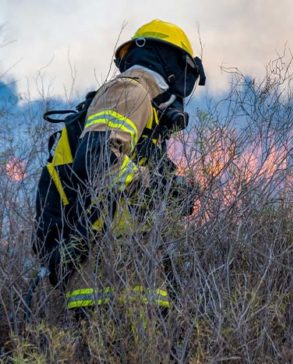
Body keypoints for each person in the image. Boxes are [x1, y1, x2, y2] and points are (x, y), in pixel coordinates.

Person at [35, 19, 205, 316]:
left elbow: (126, 176)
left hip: (129, 274)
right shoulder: (130, 91)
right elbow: (99, 159)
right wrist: (156, 186)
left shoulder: (146, 108)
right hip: (105, 278)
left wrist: (171, 192)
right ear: (176, 66)